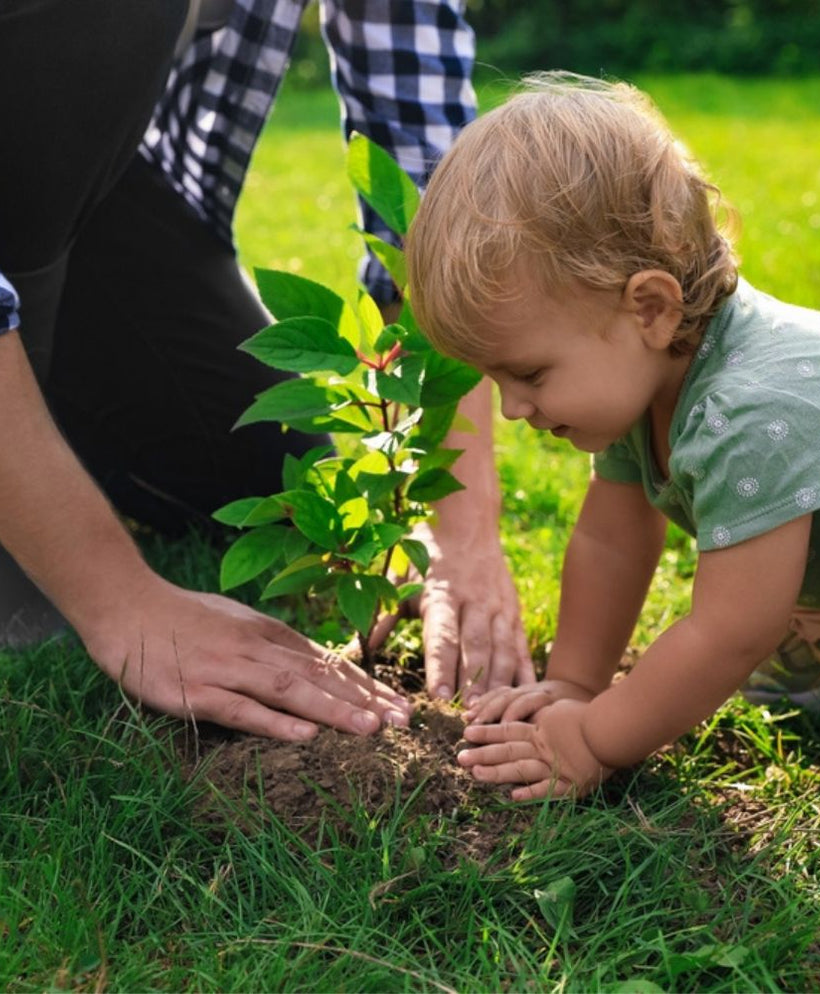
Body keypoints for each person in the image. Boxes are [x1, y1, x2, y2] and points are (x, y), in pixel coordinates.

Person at [406, 73, 820, 903]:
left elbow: (730, 630)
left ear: (649, 306)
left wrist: (595, 740)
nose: (513, 408)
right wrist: (575, 683)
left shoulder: (748, 402)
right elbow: (613, 540)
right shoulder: (656, 382)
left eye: (529, 372)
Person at [0, 0, 531, 743]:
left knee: (263, 468)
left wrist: (461, 527)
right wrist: (121, 600)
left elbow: (422, 169)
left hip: (98, 183)